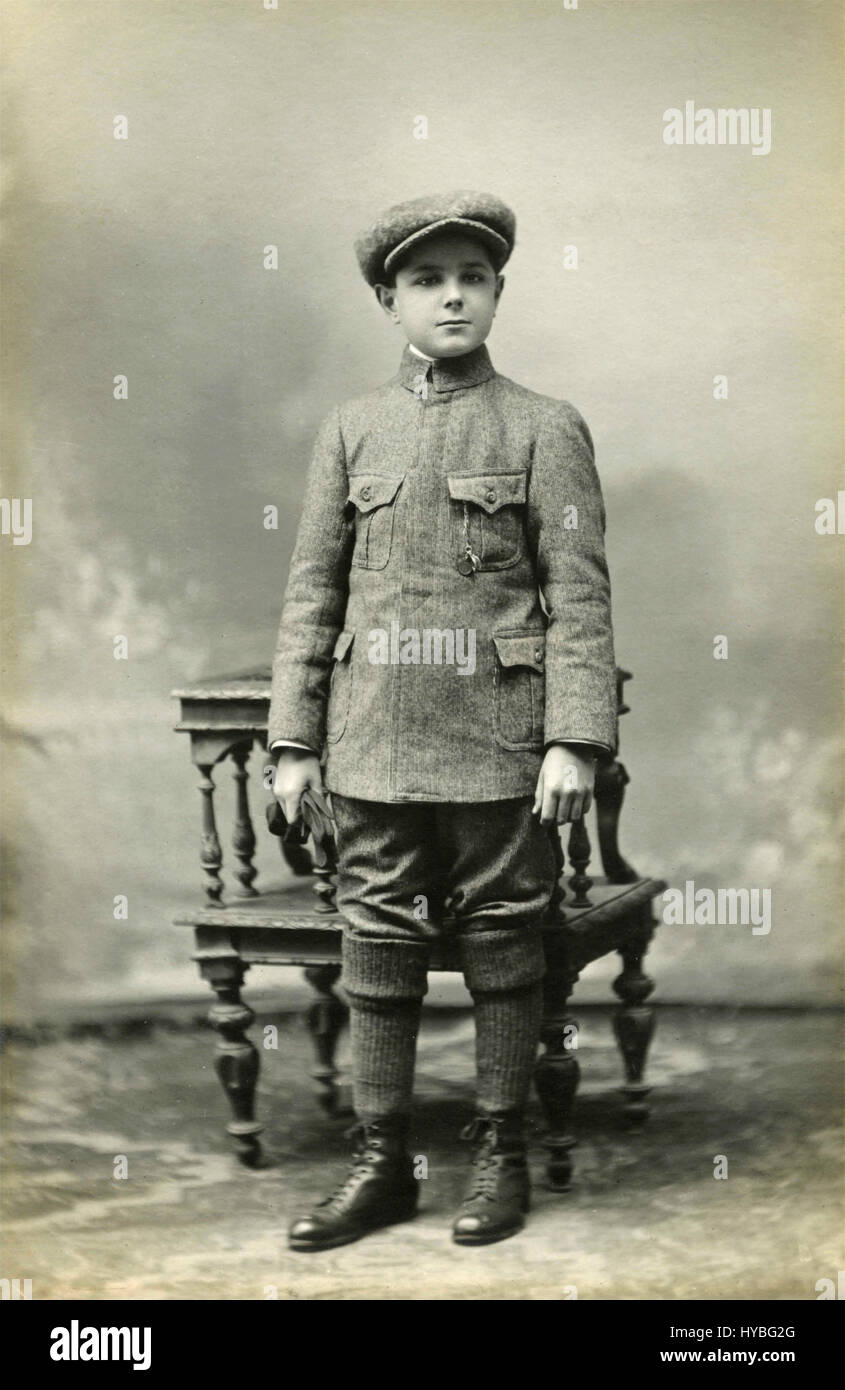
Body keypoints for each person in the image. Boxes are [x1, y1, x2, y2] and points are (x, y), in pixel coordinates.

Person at [268, 191, 618, 1250]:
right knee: (374, 947)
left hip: (498, 741)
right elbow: (309, 597)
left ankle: (498, 1154)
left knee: (507, 945)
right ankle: (381, 1168)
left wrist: (574, 737)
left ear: (498, 290)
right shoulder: (348, 430)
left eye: (471, 275)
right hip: (369, 741)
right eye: (426, 279)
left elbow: (581, 596)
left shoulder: (543, 426)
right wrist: (292, 743)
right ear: (389, 300)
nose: (451, 294)